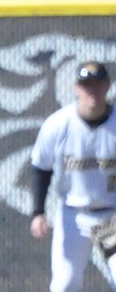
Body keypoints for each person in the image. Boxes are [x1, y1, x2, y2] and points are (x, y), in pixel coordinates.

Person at [31, 61, 116, 291]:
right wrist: (38, 212)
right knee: (65, 284)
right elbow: (41, 168)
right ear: (76, 88)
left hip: (112, 219)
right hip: (75, 217)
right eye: (86, 84)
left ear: (107, 86)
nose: (92, 90)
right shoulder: (59, 124)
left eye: (98, 84)